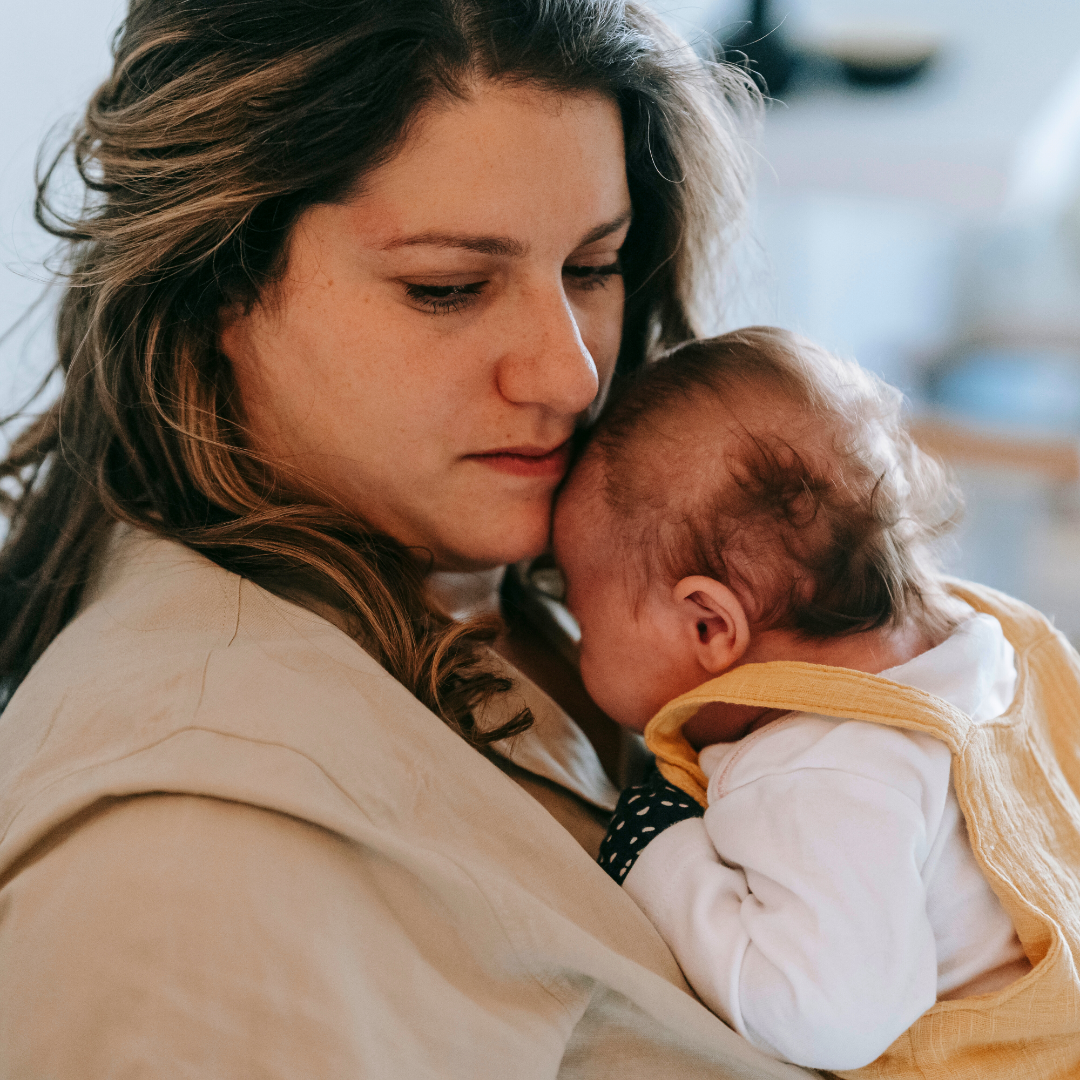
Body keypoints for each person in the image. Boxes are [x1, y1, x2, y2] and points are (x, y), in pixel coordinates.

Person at [0, 2, 829, 1077]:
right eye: (447, 288)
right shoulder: (190, 863)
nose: (569, 374)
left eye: (593, 267)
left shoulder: (533, 567)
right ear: (215, 282)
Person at [552, 327, 1080, 1078]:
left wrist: (658, 855)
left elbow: (828, 1018)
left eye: (578, 609)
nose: (574, 643)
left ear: (708, 625)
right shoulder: (1005, 647)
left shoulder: (814, 767)